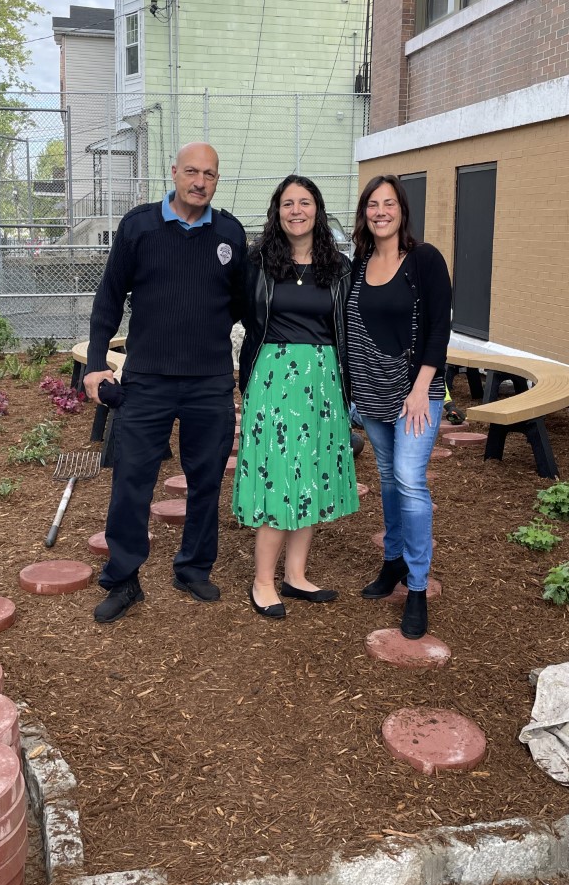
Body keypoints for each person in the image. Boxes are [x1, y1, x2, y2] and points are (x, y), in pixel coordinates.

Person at [83, 142, 246, 624]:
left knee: (206, 481)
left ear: (217, 180)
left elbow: (244, 305)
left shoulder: (231, 233)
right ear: (174, 172)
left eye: (209, 174)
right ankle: (123, 578)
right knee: (131, 481)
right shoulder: (139, 227)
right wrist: (96, 364)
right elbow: (109, 299)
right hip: (146, 381)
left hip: (209, 382)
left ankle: (193, 568)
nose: (199, 181)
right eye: (191, 171)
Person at [234, 175, 358, 619]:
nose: (296, 211)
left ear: (317, 210)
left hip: (323, 381)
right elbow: (235, 312)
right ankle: (262, 581)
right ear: (277, 212)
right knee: (279, 476)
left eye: (304, 202)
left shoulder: (340, 267)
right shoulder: (258, 262)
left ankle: (296, 575)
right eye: (288, 203)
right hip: (274, 379)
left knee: (311, 475)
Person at [346, 174, 452, 639]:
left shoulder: (425, 260)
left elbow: (439, 328)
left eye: (389, 203)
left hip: (415, 392)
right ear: (364, 213)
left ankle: (417, 585)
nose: (381, 211)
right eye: (373, 204)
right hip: (372, 391)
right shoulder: (359, 262)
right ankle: (392, 561)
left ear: (402, 210)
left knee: (410, 480)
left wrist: (421, 386)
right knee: (388, 477)